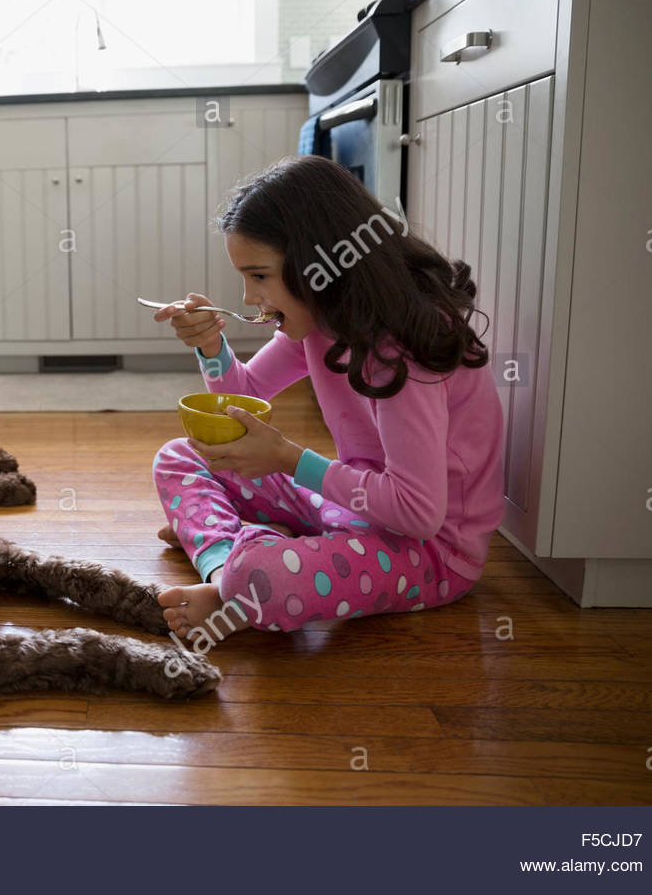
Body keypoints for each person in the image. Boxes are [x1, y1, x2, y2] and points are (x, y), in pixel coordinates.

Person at [151, 155, 505, 640]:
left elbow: (418, 514)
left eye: (259, 276)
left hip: (431, 552)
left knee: (259, 577)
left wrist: (289, 458)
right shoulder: (319, 322)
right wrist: (212, 347)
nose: (250, 297)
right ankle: (225, 565)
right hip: (352, 506)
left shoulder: (400, 349)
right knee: (180, 456)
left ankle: (233, 564)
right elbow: (244, 398)